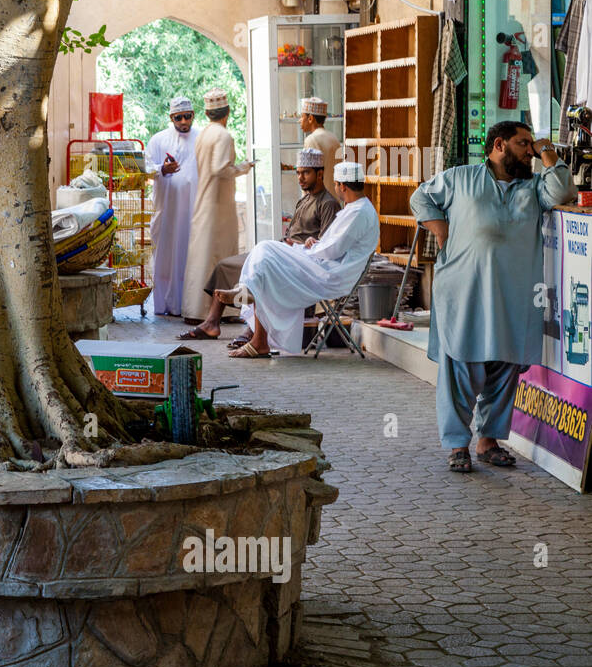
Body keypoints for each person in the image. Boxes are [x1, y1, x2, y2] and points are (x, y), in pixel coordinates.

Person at [410, 120, 574, 473]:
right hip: (464, 292)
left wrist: (548, 153)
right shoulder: (461, 177)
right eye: (523, 143)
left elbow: (562, 194)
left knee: (506, 365)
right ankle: (457, 444)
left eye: (531, 144)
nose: (529, 150)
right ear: (499, 145)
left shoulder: (534, 187)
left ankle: (488, 440)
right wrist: (438, 226)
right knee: (462, 365)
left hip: (514, 296)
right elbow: (420, 196)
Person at [212, 161, 378, 358]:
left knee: (266, 254)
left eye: (336, 185)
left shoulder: (358, 212)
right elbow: (334, 245)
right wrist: (311, 243)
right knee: (266, 257)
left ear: (341, 185)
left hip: (330, 274)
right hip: (324, 264)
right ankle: (253, 315)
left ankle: (249, 298)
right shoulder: (356, 208)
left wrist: (304, 248)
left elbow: (333, 250)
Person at [179, 148, 340, 342]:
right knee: (225, 265)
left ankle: (253, 330)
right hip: (282, 251)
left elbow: (323, 248)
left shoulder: (328, 203)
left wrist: (298, 245)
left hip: (298, 261)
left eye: (306, 172)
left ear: (320, 173)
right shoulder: (304, 199)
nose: (300, 178)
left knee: (260, 273)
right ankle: (212, 323)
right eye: (298, 172)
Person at [181, 89, 255, 321]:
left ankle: (196, 309)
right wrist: (242, 168)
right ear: (228, 112)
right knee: (222, 257)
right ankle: (219, 311)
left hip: (206, 202)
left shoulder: (204, 133)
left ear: (206, 113)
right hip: (218, 207)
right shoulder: (223, 136)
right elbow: (220, 168)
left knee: (202, 256)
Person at [145, 95, 198, 316]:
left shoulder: (202, 137)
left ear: (193, 115)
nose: (183, 122)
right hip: (167, 210)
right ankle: (164, 305)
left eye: (187, 117)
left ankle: (188, 305)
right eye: (179, 118)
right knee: (165, 259)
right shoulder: (158, 140)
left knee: (190, 257)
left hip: (193, 211)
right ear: (171, 117)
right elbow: (147, 169)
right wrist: (162, 169)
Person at [297, 97, 342, 201]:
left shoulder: (311, 139)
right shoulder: (334, 138)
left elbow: (307, 177)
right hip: (334, 200)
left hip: (318, 203)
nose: (300, 120)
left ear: (310, 118)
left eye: (302, 116)